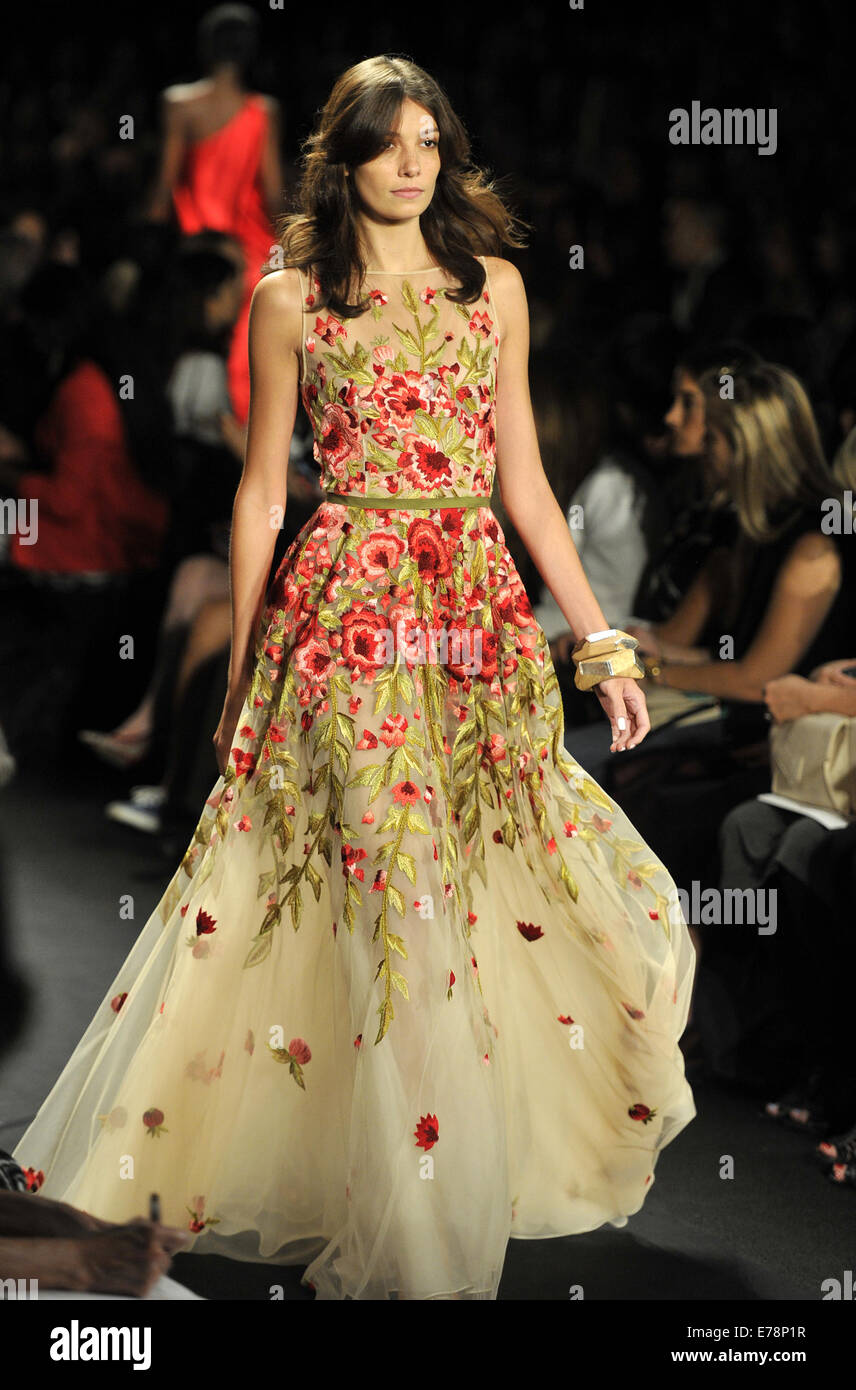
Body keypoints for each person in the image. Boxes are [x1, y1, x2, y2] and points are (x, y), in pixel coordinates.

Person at [13, 56, 696, 1302]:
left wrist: (599, 643)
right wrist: (238, 673)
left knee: (479, 876)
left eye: (431, 141)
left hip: (474, 616)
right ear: (347, 159)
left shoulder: (496, 290)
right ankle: (415, 1226)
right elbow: (265, 486)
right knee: (388, 884)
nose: (413, 163)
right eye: (389, 144)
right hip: (343, 614)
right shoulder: (289, 299)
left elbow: (526, 483)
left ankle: (413, 1179)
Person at [144, 4, 285, 427]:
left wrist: (143, 238)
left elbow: (164, 187)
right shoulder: (264, 110)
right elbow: (274, 193)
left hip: (198, 251)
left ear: (205, 47)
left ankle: (190, 437)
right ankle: (244, 443)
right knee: (246, 358)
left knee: (183, 346)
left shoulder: (179, 103)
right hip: (248, 254)